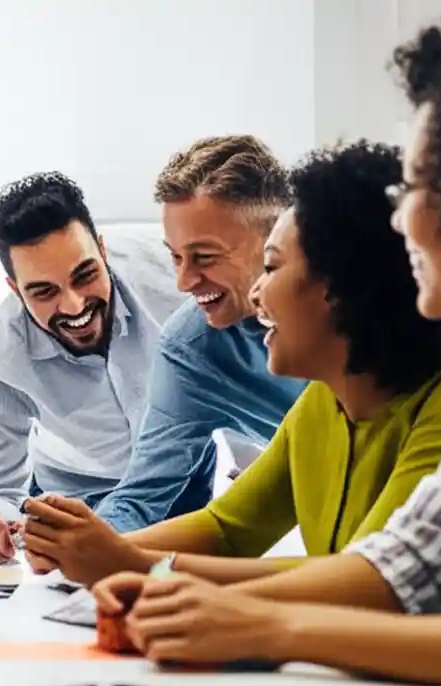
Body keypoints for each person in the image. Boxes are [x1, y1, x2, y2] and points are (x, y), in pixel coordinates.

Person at [96, 1, 441, 686]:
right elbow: (409, 563)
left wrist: (269, 625)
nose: (401, 220)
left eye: (421, 186)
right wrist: (170, 589)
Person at [24, 141, 441, 588]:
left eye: (271, 268)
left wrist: (134, 564)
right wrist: (92, 547)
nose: (257, 295)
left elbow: (369, 577)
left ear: (339, 287)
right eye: (175, 258)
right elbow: (227, 530)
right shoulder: (318, 405)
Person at [88, 136, 307, 534]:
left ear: (276, 239)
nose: (184, 281)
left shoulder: (361, 317)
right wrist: (89, 542)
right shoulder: (193, 347)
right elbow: (144, 494)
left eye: (204, 256)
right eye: (174, 256)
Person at [0, 171, 179, 563]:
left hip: (178, 477)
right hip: (74, 494)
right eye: (44, 292)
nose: (75, 306)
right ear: (15, 288)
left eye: (86, 275)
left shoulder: (173, 276)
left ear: (103, 251)